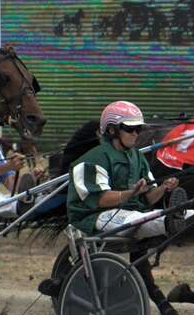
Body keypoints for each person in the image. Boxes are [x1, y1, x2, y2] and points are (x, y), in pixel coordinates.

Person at [67, 100, 178, 236]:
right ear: (112, 130)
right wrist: (133, 192)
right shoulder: (92, 160)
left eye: (138, 129)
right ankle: (170, 221)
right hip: (94, 216)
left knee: (183, 214)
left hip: (133, 213)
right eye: (130, 129)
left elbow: (147, 199)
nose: (135, 134)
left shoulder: (138, 156)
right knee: (139, 220)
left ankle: (187, 217)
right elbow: (101, 199)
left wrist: (163, 187)